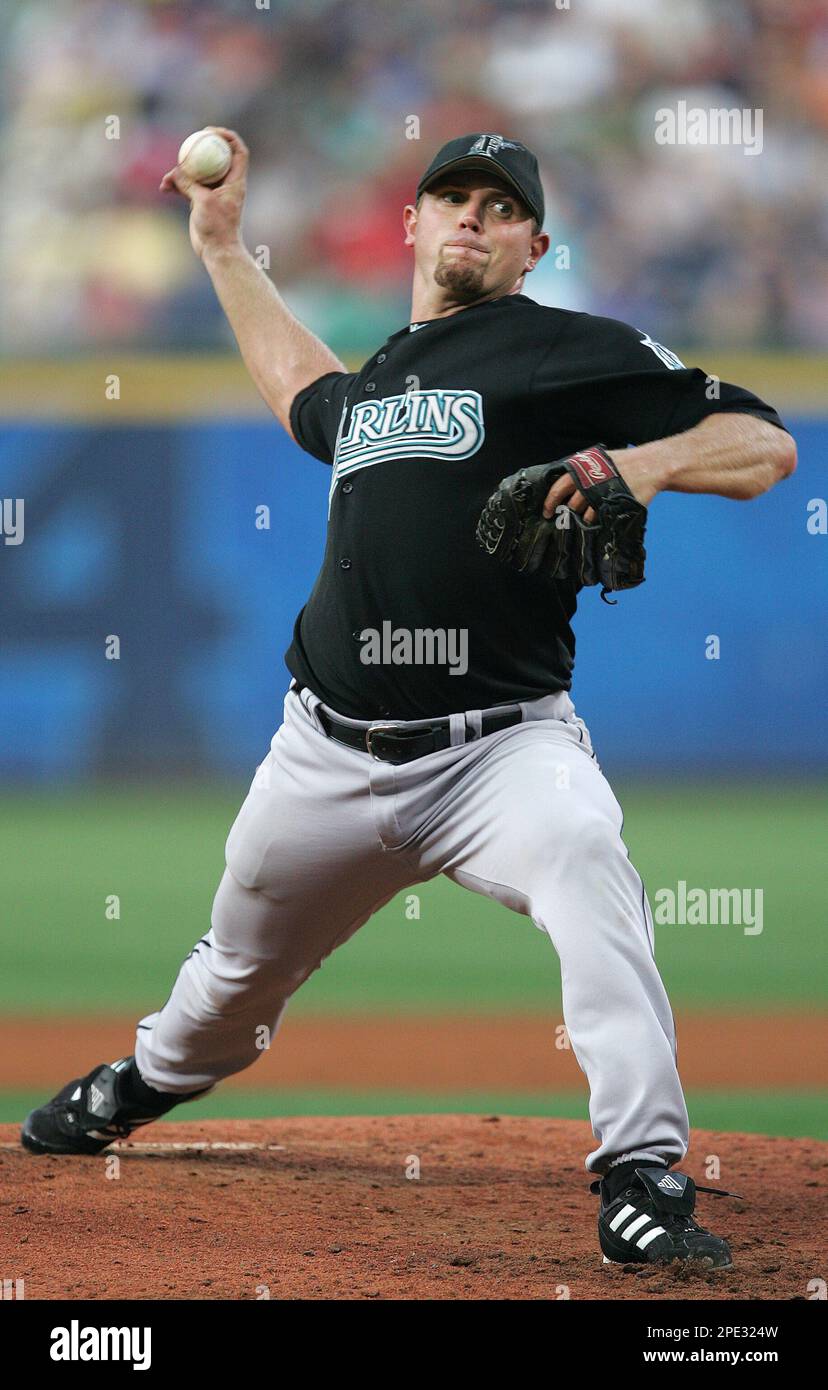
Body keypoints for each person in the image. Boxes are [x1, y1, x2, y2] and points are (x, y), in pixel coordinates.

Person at [22, 131, 796, 1270]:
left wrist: (638, 466)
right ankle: (144, 1079)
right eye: (451, 198)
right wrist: (224, 246)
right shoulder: (384, 372)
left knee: (587, 856)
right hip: (323, 754)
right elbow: (304, 393)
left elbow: (765, 439)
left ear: (534, 246)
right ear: (413, 226)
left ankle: (643, 1173)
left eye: (500, 206)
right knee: (227, 985)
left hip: (502, 755)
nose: (472, 217)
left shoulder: (564, 349)